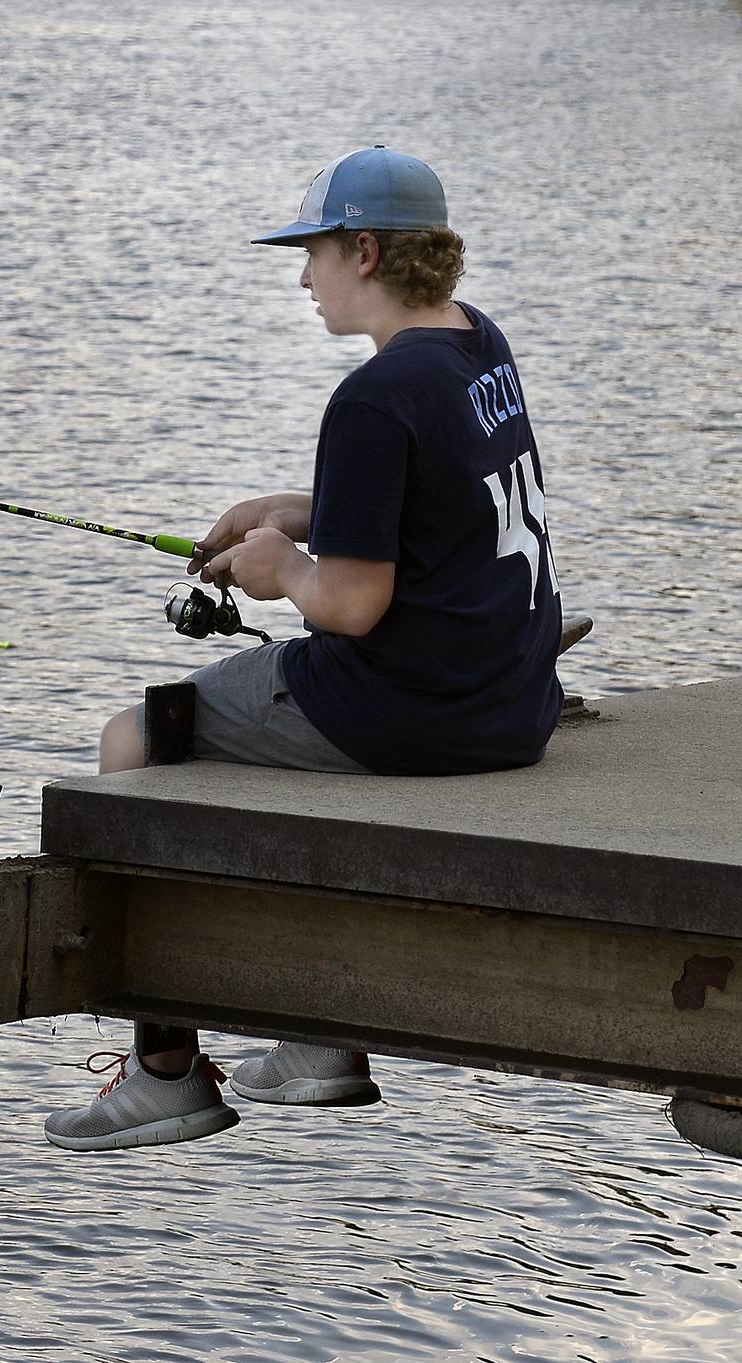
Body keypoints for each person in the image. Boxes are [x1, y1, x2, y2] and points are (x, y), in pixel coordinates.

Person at [43, 145, 563, 1152]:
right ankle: (317, 1041)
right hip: (508, 696)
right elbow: (438, 514)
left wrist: (282, 567)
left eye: (313, 252)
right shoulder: (472, 347)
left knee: (131, 744)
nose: (302, 277)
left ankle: (164, 1075)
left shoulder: (371, 398)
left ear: (363, 250)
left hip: (411, 708)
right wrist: (296, 510)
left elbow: (353, 607)